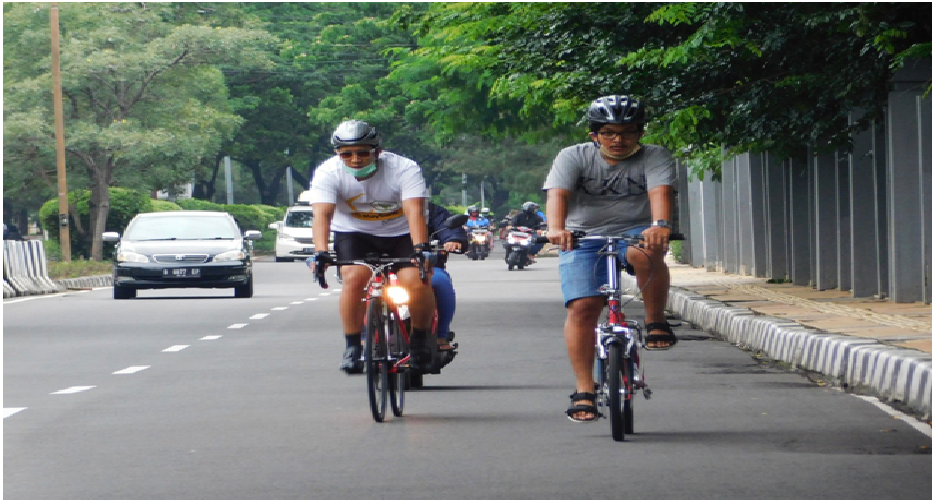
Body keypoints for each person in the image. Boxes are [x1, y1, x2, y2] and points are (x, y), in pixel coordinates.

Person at [542, 95, 677, 423]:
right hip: (583, 235)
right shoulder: (572, 157)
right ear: (594, 135)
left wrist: (660, 226)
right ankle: (585, 389)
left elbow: (660, 192)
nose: (618, 140)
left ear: (639, 133)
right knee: (583, 307)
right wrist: (556, 229)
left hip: (636, 231)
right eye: (609, 133)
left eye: (627, 132)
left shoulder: (654, 156)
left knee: (646, 251)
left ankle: (655, 320)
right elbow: (557, 194)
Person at [307, 119, 436, 374]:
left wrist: (420, 248)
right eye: (347, 154)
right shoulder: (327, 172)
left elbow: (415, 211)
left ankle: (420, 340)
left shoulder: (404, 168)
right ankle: (353, 345)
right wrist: (320, 251)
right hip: (355, 233)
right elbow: (322, 215)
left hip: (401, 233)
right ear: (338, 154)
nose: (355, 159)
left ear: (377, 151)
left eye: (363, 152)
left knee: (416, 281)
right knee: (354, 277)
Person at [426, 202, 468, 358]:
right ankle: (361, 339)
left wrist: (453, 239)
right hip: (383, 268)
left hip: (426, 267)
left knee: (441, 282)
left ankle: (441, 335)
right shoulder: (367, 210)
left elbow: (449, 228)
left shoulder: (431, 210)